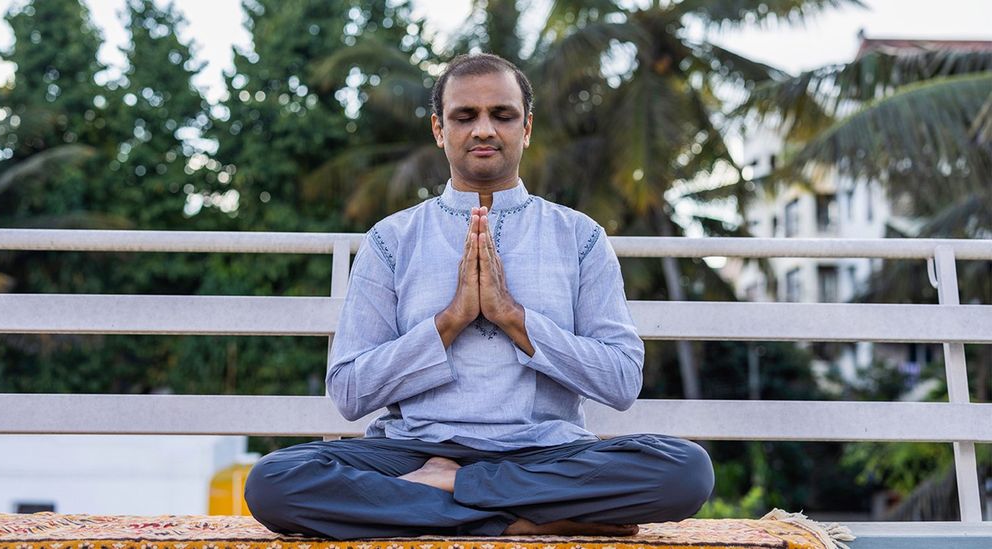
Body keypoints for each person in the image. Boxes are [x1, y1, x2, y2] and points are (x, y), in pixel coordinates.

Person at [244, 53, 714, 540]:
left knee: (684, 471)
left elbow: (620, 381)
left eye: (502, 115)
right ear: (438, 129)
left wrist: (514, 320)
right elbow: (348, 391)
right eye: (465, 116)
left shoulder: (579, 236)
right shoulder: (392, 239)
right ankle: (521, 520)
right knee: (274, 484)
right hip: (414, 452)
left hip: (543, 453)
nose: (484, 130)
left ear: (526, 128)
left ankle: (457, 488)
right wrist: (449, 322)